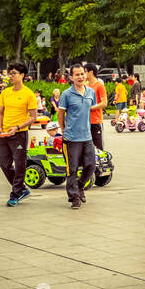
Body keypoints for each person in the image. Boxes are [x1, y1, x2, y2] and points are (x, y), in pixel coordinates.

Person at [0, 63, 38, 206]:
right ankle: (21, 189)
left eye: (13, 73)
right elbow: (0, 112)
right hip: (4, 134)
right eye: (9, 73)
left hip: (19, 134)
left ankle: (15, 193)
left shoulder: (28, 94)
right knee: (4, 164)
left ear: (22, 75)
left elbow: (33, 117)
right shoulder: (5, 92)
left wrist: (17, 127)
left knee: (20, 164)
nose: (10, 76)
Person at [56, 65, 98, 209]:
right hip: (71, 139)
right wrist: (63, 129)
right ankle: (74, 197)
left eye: (82, 74)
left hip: (87, 137)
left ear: (86, 75)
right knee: (72, 169)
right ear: (71, 77)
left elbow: (90, 110)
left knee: (91, 165)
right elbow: (60, 114)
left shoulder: (91, 92)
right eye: (77, 75)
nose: (80, 77)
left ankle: (79, 186)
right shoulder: (66, 94)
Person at [83, 62, 108, 150]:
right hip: (85, 120)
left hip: (96, 120)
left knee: (98, 145)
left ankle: (101, 162)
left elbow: (104, 103)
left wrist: (90, 108)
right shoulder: (85, 86)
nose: (83, 74)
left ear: (91, 72)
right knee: (86, 145)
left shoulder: (99, 86)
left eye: (85, 72)